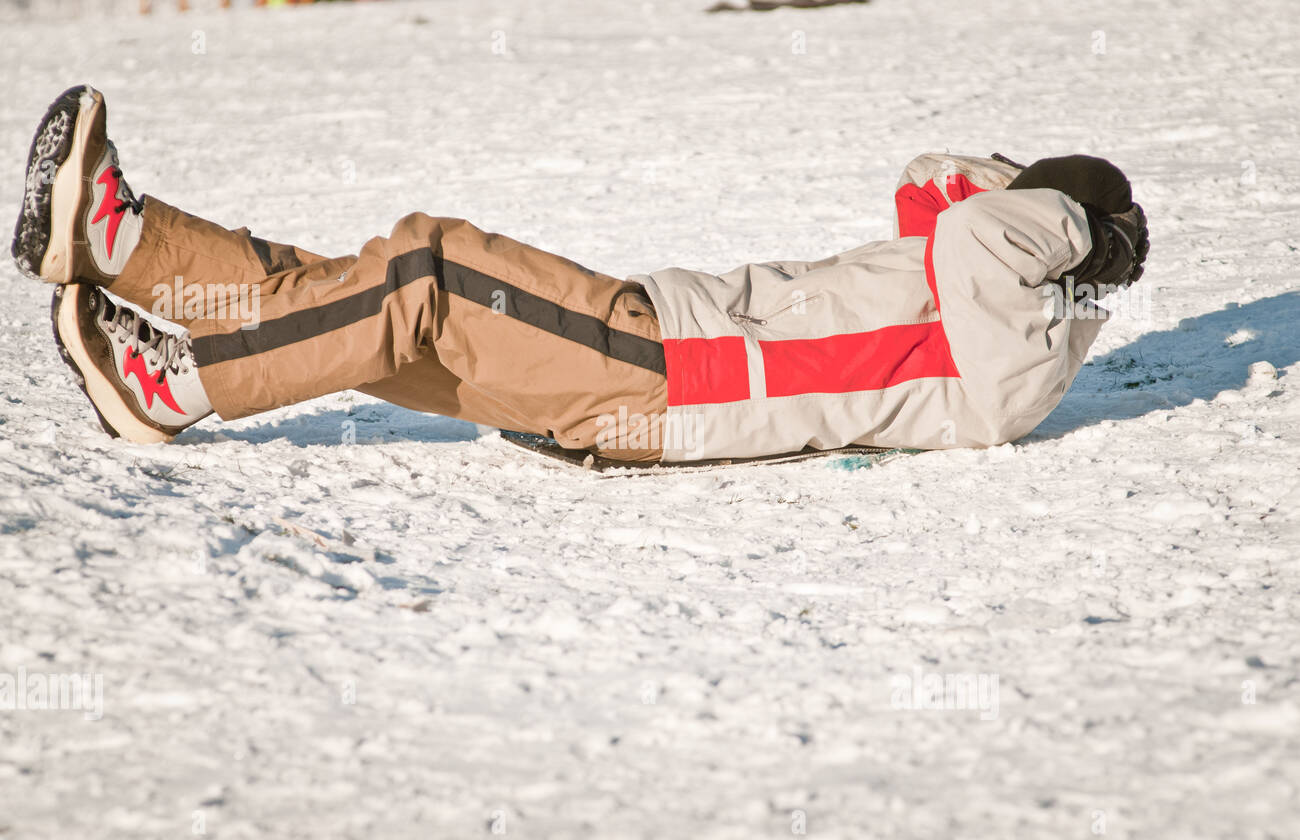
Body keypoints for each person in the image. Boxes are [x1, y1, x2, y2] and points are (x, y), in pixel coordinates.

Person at [12, 85, 1148, 464]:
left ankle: (183, 385)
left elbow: (971, 235)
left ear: (1056, 242)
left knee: (430, 268)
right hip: (657, 363)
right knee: (365, 304)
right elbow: (933, 186)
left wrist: (1088, 232)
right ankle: (126, 249)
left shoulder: (1014, 356)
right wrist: (1038, 191)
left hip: (667, 375)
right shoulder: (981, 298)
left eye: (1036, 210)